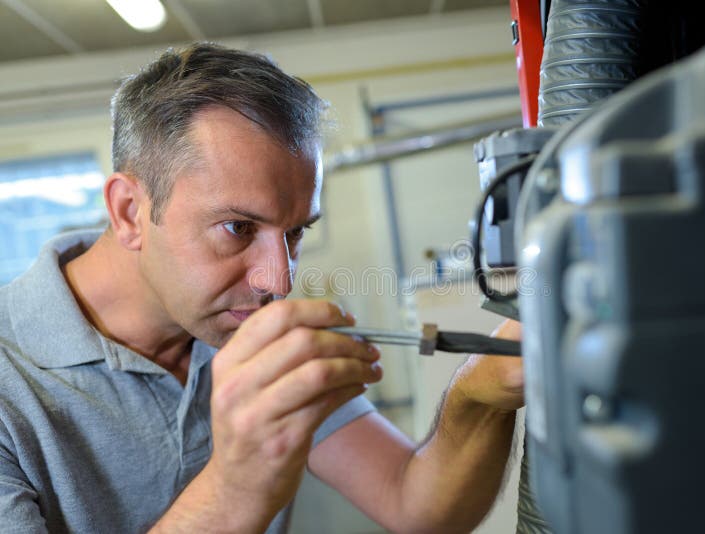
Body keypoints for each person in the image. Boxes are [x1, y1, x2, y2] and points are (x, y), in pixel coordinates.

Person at [0, 43, 523, 533]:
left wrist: (479, 396)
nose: (278, 280)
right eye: (238, 228)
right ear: (130, 212)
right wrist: (236, 486)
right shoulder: (11, 386)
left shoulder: (242, 328)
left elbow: (417, 505)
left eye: (295, 232)